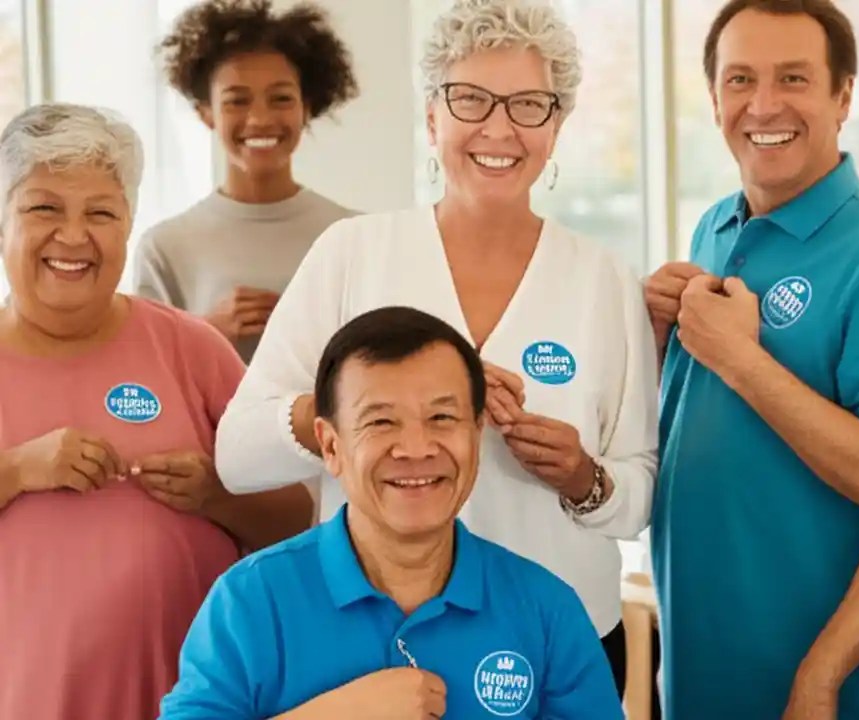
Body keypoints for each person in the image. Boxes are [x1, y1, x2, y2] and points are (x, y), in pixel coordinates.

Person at [214, 0, 657, 691]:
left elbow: (639, 495)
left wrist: (582, 477)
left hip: (556, 645)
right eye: (470, 99)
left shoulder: (604, 279)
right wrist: (374, 401)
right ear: (431, 117)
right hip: (373, 640)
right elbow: (238, 455)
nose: (499, 129)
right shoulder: (352, 254)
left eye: (528, 105)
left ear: (557, 125)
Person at [646, 1, 859, 718]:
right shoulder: (714, 227)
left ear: (843, 97)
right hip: (704, 669)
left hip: (830, 689)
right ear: (714, 97)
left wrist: (741, 360)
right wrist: (664, 341)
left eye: (793, 78)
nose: (763, 105)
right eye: (740, 79)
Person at [0, 103, 312, 720]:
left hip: (202, 700)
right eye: (44, 208)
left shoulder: (191, 348)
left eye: (101, 213)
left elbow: (300, 519)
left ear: (129, 225)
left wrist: (216, 495)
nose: (73, 236)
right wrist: (18, 470)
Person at [159, 306, 620, 719]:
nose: (416, 448)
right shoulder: (250, 600)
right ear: (331, 446)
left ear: (477, 432)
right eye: (380, 421)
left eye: (442, 418)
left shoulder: (545, 609)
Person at [135, 0, 360, 362]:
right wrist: (205, 334)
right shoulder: (165, 248)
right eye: (236, 101)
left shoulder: (354, 235)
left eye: (281, 98)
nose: (259, 119)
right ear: (206, 113)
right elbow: (144, 376)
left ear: (306, 108)